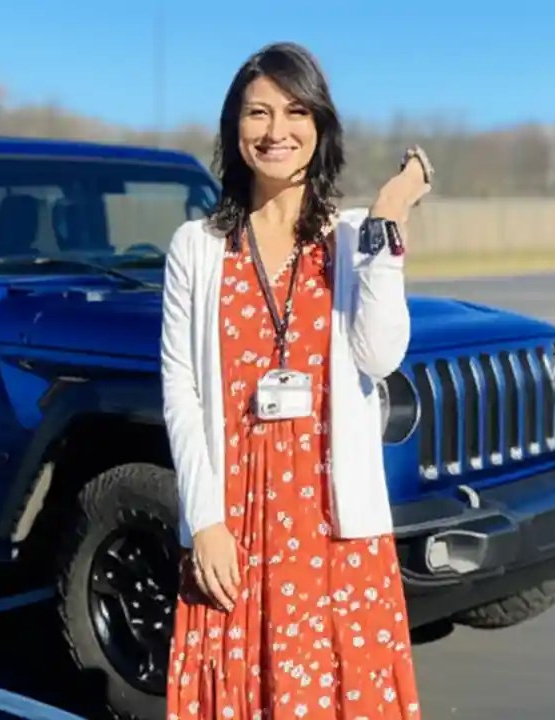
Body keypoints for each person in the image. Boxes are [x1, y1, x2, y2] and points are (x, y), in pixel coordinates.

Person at [160, 40, 432, 719]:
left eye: (295, 111)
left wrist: (389, 222)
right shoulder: (195, 247)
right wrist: (205, 523)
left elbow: (380, 354)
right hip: (236, 515)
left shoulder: (350, 237)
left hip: (332, 516)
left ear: (320, 126)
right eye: (257, 113)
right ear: (234, 129)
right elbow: (182, 394)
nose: (276, 131)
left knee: (339, 692)